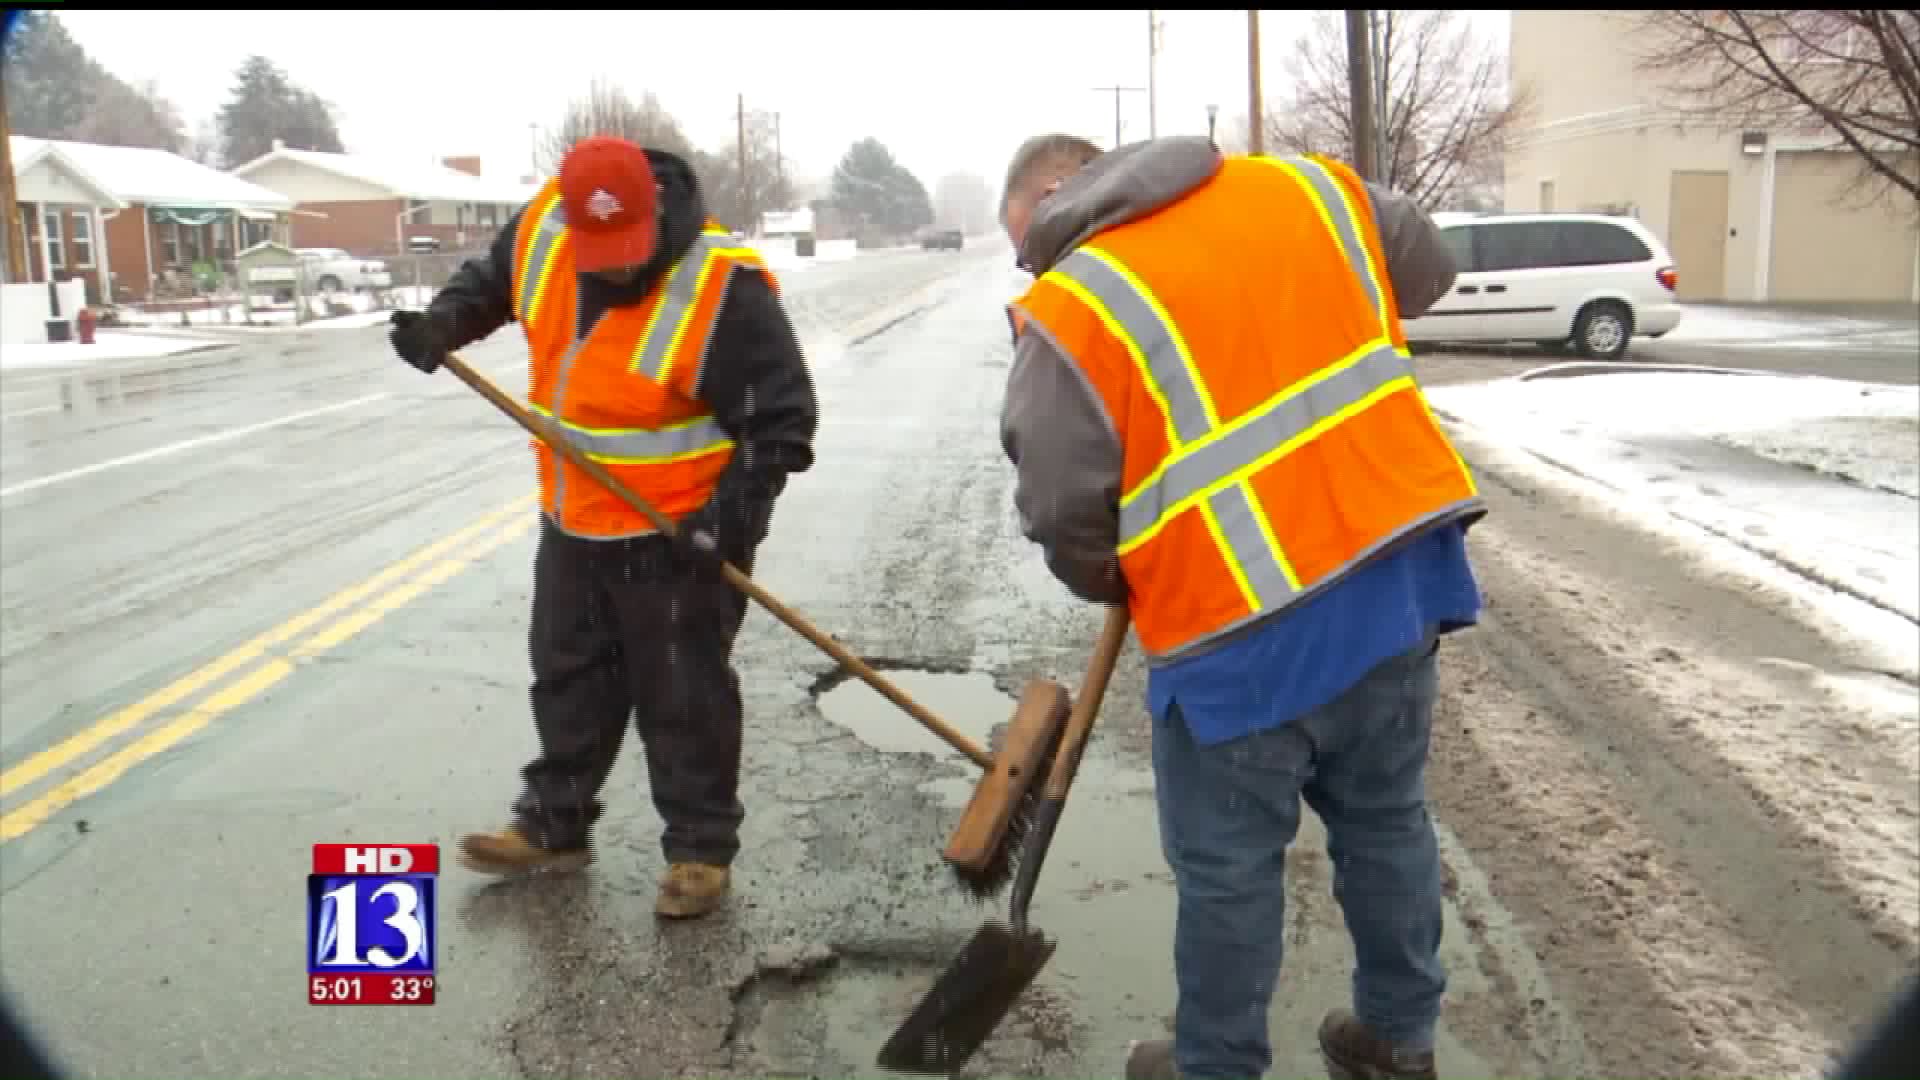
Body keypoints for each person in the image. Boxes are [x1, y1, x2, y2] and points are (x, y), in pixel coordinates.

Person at [995, 133, 1486, 1080]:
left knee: (1230, 871)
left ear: (1059, 191)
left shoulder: (1078, 302)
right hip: (1396, 578)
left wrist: (1116, 577)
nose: (1039, 261)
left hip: (1238, 632)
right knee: (1386, 820)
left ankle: (1216, 1065)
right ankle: (1398, 1037)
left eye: (1031, 239)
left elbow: (1059, 505)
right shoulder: (1301, 190)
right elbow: (1424, 264)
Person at [386, 134, 818, 920]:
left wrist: (727, 520)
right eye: (599, 249)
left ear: (656, 213)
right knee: (567, 679)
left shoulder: (722, 286)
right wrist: (445, 324)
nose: (613, 267)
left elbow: (783, 424)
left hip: (679, 531)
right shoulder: (548, 227)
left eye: (628, 248)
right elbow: (493, 281)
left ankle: (698, 852)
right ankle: (554, 829)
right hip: (575, 516)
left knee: (682, 698)